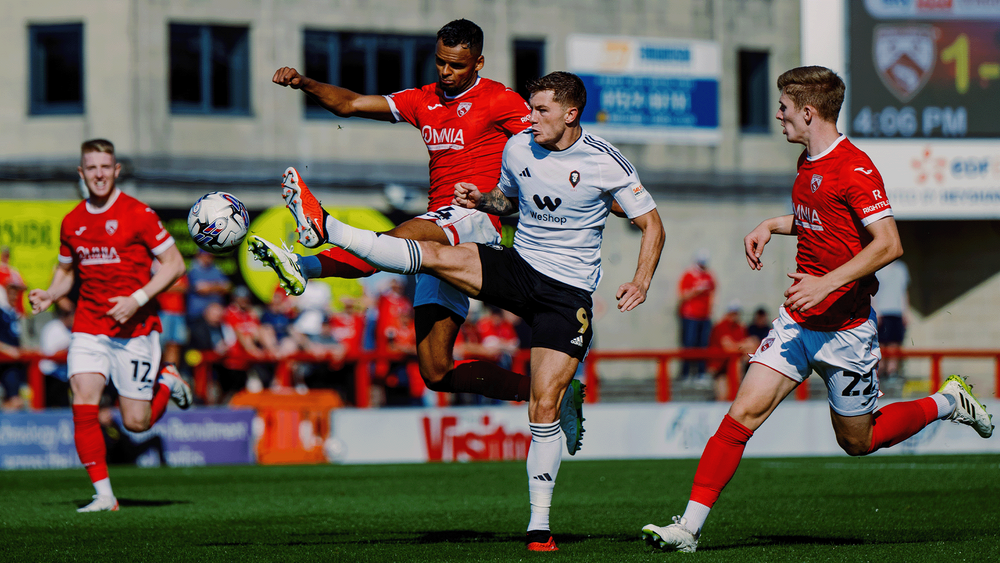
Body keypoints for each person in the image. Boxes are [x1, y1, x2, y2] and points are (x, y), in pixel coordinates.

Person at [256, 71, 664, 551]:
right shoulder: (519, 147)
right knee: (430, 259)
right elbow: (508, 202)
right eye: (531, 108)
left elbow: (652, 224)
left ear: (571, 113)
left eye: (541, 110)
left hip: (565, 293)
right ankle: (326, 230)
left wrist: (641, 281)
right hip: (518, 267)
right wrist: (484, 198)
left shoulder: (604, 160)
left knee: (543, 406)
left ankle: (539, 528)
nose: (530, 119)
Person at [641, 66, 994, 553]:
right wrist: (771, 224)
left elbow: (888, 244)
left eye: (784, 108)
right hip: (797, 323)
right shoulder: (807, 161)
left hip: (847, 331)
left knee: (857, 442)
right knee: (741, 416)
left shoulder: (856, 168)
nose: (778, 115)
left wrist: (827, 283)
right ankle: (688, 530)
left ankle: (948, 402)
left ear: (808, 113)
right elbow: (819, 219)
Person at [250, 19, 586, 452]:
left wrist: (599, 189)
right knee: (436, 372)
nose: (446, 72)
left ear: (478, 63)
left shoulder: (499, 99)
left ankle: (310, 256)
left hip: (473, 218)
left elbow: (553, 138)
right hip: (439, 228)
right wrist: (305, 82)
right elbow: (350, 104)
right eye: (441, 62)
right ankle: (555, 397)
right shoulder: (422, 100)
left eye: (457, 65)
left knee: (393, 241)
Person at [28, 139, 192, 513]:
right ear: (81, 172)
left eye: (105, 167)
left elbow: (175, 265)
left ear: (116, 170)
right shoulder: (72, 221)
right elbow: (66, 271)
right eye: (92, 168)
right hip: (89, 326)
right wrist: (50, 294)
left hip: (135, 331)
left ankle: (168, 380)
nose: (99, 174)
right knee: (83, 398)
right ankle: (104, 495)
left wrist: (137, 298)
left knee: (137, 422)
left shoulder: (139, 214)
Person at [677, 249, 716, 383]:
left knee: (703, 345)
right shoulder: (689, 275)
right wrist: (696, 290)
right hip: (690, 315)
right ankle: (686, 373)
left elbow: (713, 293)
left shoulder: (708, 276)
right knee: (689, 344)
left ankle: (701, 373)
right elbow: (682, 295)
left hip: (704, 316)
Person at [706, 300, 756, 402]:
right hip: (720, 367)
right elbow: (728, 347)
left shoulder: (740, 327)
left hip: (734, 366)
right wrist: (744, 345)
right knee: (723, 398)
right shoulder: (721, 326)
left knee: (734, 397)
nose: (735, 316)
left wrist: (740, 346)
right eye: (733, 313)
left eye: (737, 313)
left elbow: (753, 345)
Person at [873, 258, 909, 380]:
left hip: (897, 312)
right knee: (881, 345)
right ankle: (880, 373)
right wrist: (875, 311)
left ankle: (892, 372)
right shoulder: (878, 268)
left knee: (895, 345)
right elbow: (873, 293)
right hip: (882, 312)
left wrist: (905, 312)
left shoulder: (901, 268)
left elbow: (903, 291)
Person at [185, 251, 231, 327]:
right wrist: (217, 286)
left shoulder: (216, 270)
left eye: (210, 256)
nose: (208, 258)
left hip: (215, 315)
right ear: (199, 256)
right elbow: (202, 289)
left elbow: (227, 287)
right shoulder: (194, 270)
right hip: (197, 314)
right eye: (205, 255)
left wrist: (209, 286)